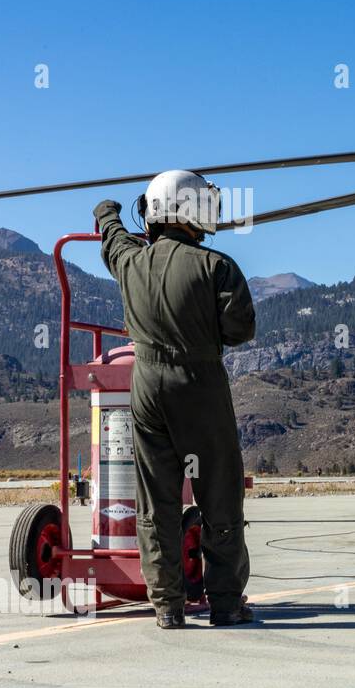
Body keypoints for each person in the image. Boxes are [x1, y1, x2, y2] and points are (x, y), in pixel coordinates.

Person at [95, 170, 256, 629]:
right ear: (191, 212)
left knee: (156, 497)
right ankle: (225, 603)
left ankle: (167, 606)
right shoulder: (216, 266)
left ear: (152, 212)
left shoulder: (129, 262)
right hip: (199, 383)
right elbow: (240, 329)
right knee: (219, 493)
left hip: (145, 388)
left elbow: (112, 236)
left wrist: (107, 211)